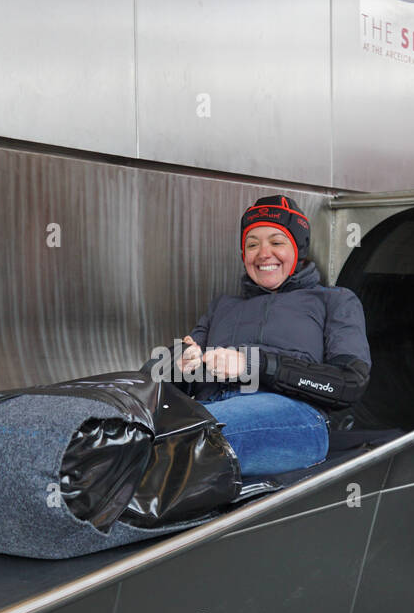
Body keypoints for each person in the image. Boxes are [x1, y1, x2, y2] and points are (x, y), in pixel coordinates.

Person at [144, 194, 371, 477]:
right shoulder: (222, 307)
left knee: (176, 442)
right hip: (207, 408)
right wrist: (176, 363)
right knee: (129, 433)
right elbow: (150, 379)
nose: (264, 254)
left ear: (299, 249)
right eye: (252, 244)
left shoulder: (334, 301)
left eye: (277, 242)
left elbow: (350, 383)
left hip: (293, 415)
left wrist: (253, 365)